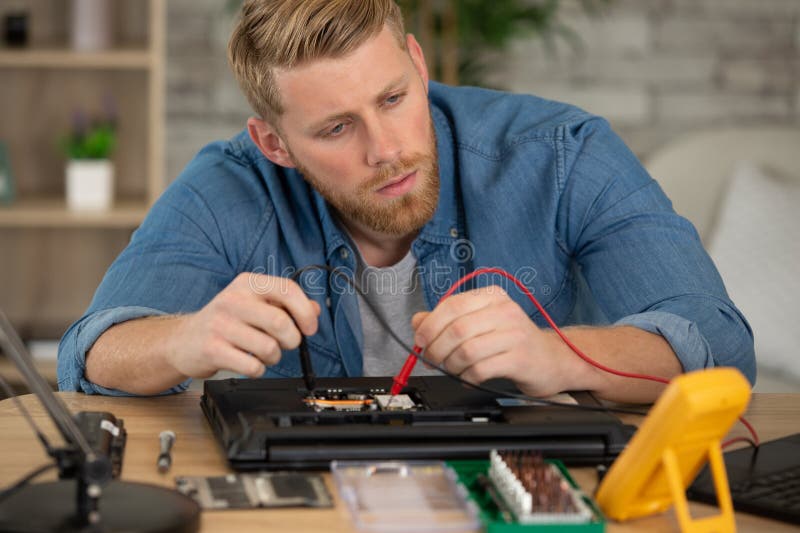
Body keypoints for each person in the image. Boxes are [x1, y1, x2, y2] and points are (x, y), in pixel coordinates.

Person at [57, 0, 754, 403]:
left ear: (419, 65)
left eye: (393, 98)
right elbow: (92, 351)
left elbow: (722, 348)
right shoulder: (229, 184)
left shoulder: (562, 151)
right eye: (336, 128)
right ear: (274, 143)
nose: (386, 148)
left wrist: (557, 355)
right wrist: (184, 339)